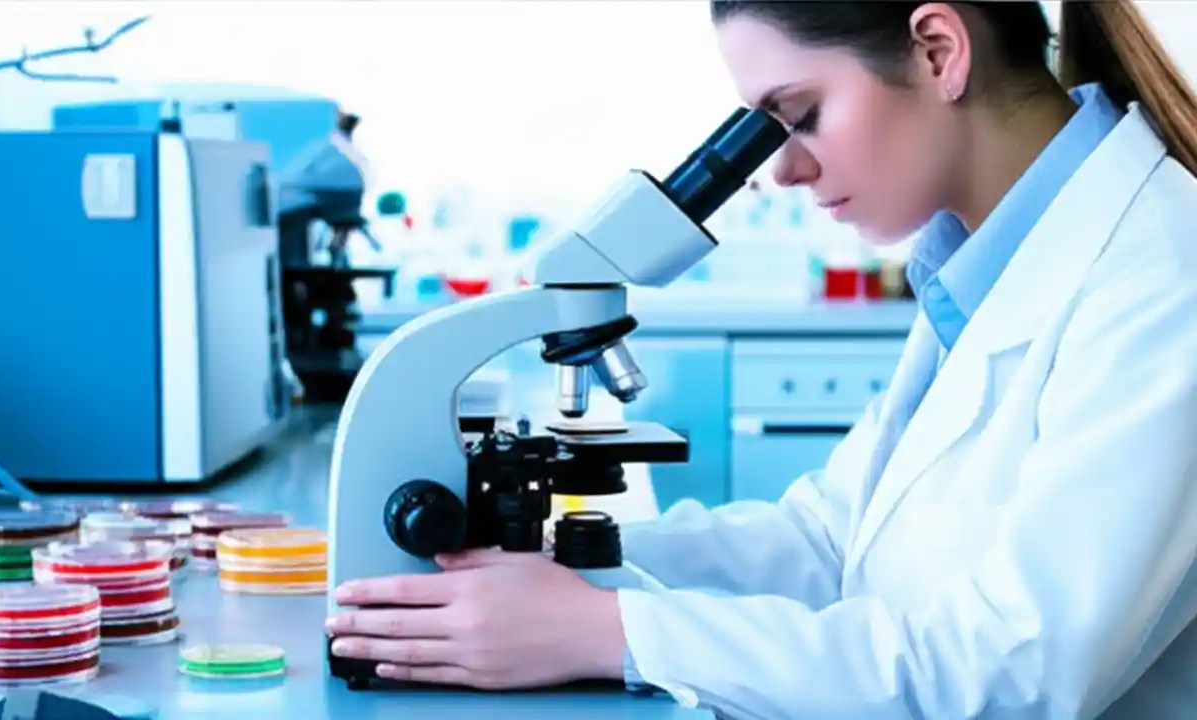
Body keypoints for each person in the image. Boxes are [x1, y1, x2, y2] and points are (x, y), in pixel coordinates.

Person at [324, 1, 1197, 716]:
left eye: (800, 115)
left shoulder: (1164, 271)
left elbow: (1019, 671)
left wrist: (608, 631)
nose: (779, 171)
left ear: (938, 51)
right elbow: (830, 539)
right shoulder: (981, 261)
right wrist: (577, 567)